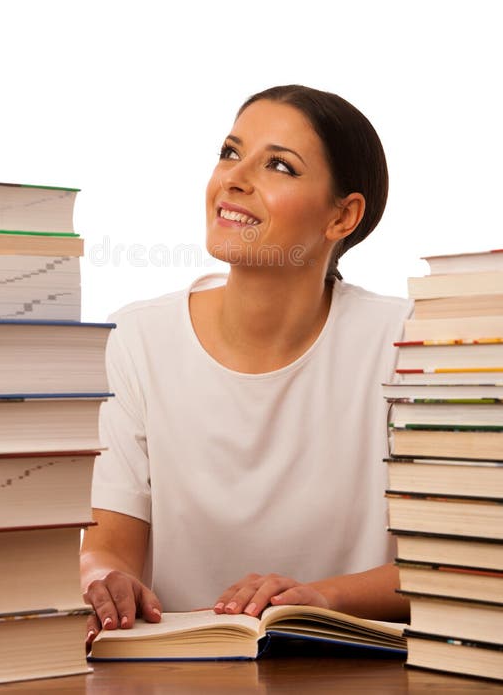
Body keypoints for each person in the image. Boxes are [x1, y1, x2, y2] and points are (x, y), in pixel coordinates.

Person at [81, 83, 412, 646]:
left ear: (343, 217)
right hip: (169, 675)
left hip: (355, 675)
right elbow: (111, 543)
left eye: (279, 165)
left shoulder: (404, 345)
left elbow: (457, 564)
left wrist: (323, 598)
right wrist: (105, 579)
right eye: (231, 153)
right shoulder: (137, 338)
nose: (232, 179)